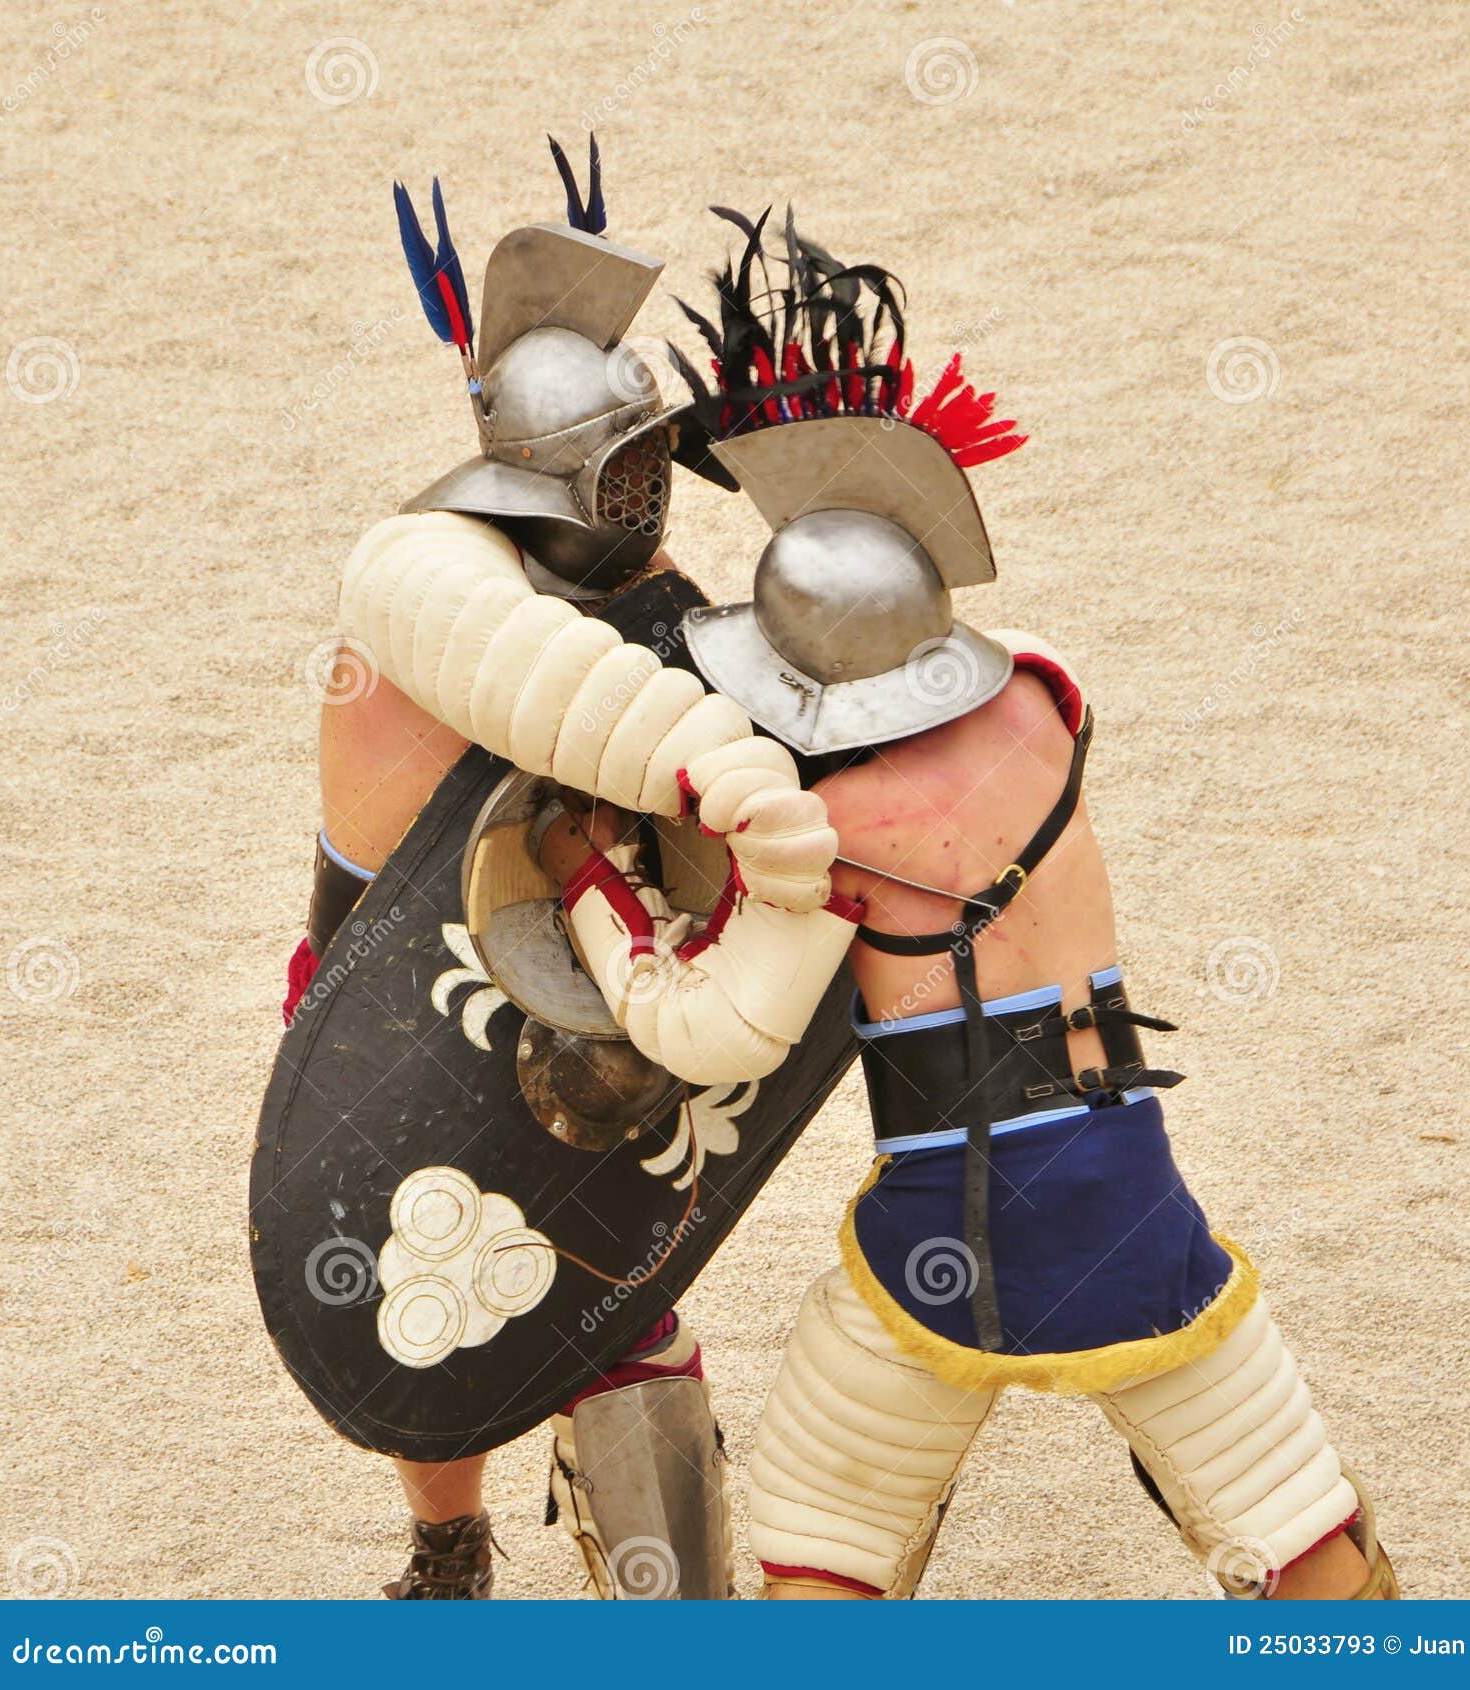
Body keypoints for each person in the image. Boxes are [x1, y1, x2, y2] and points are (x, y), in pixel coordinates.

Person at [510, 214, 1400, 1601]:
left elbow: (714, 1022)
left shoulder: (828, 832)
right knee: (1296, 1531)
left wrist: (584, 879)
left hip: (956, 1230)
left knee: (826, 1542)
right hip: (1133, 1185)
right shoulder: (1048, 698)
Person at [268, 141, 802, 1600]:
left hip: (583, 971)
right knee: (414, 1269)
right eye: (612, 468)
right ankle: (450, 1540)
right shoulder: (443, 607)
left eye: (651, 461)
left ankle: (658, 1602)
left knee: (610, 1298)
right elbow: (576, 714)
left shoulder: (626, 607)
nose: (643, 494)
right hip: (399, 996)